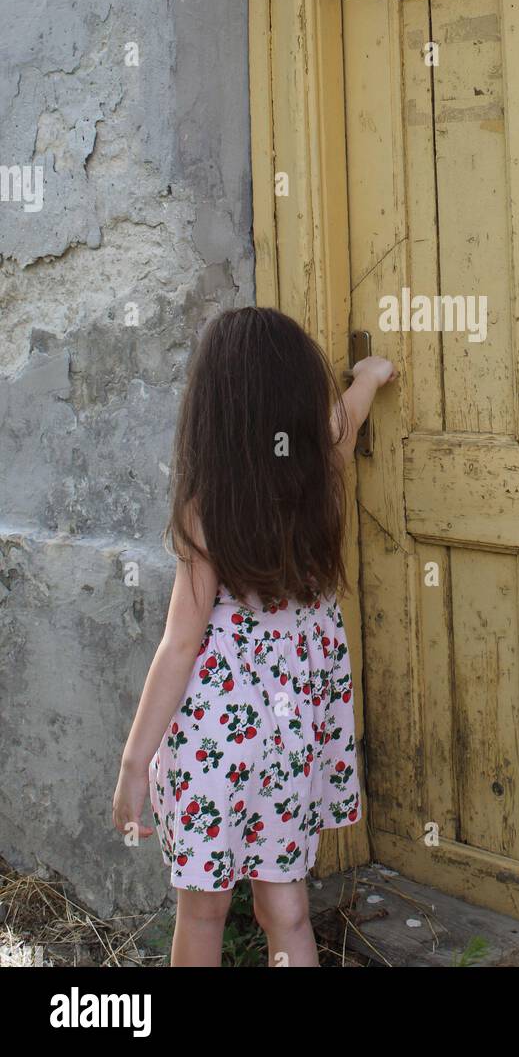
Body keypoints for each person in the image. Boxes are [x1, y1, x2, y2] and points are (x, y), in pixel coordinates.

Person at [111, 306, 396, 966]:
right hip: (292, 739)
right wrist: (371, 374)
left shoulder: (207, 509)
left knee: (203, 908)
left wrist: (133, 767)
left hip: (216, 741)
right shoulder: (322, 471)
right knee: (286, 907)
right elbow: (347, 411)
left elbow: (180, 645)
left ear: (214, 407)